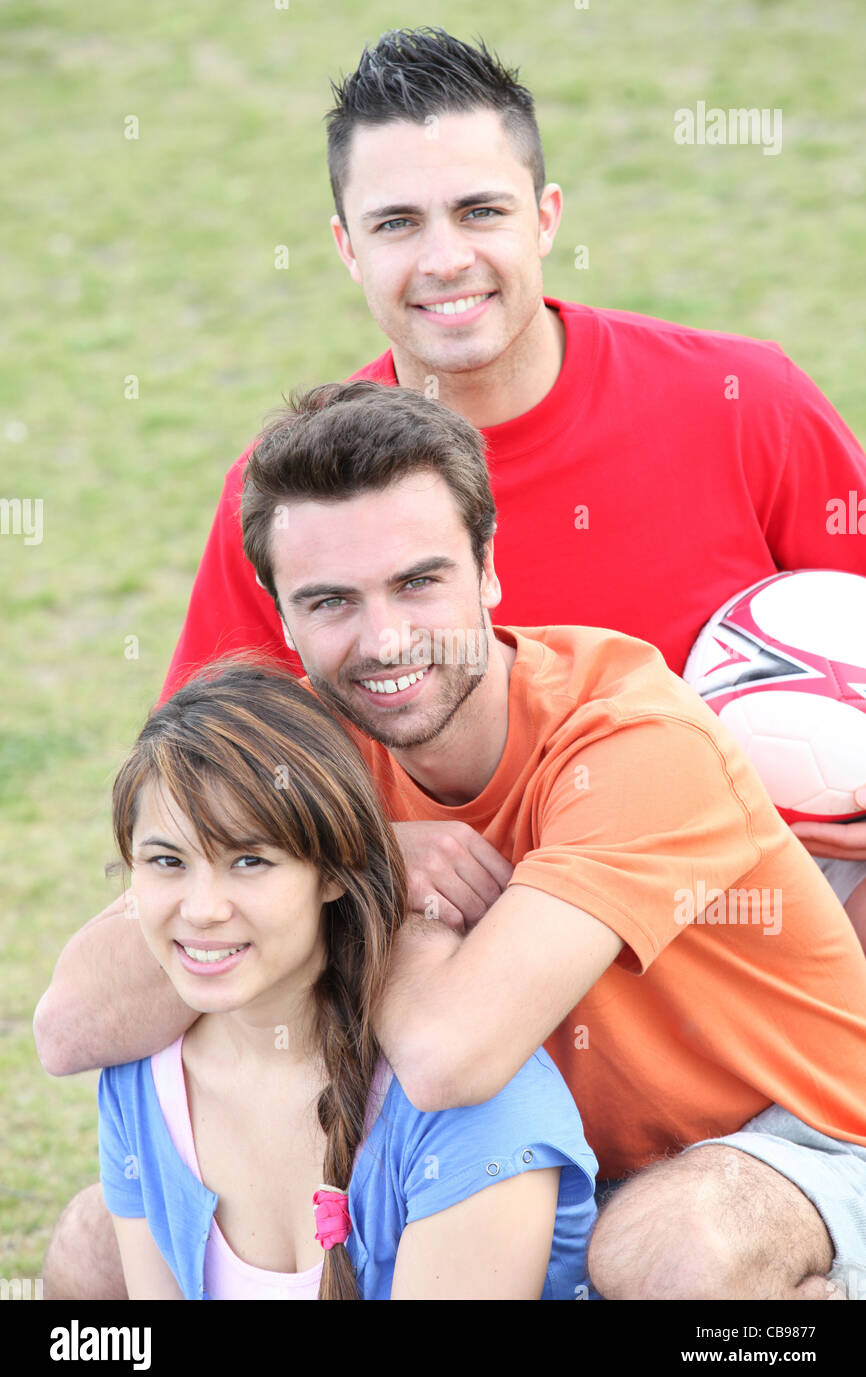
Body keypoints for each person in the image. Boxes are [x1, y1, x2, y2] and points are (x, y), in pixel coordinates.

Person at [40, 381, 866, 1302]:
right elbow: (69, 1026)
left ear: (490, 570)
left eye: (419, 582)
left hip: (799, 1137)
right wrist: (372, 850)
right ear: (283, 618)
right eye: (331, 602)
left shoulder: (633, 741)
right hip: (529, 1160)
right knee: (93, 1246)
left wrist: (354, 869)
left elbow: (445, 1057)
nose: (385, 639)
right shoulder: (303, 753)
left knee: (666, 1256)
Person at [157, 27, 866, 932]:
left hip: (758, 919)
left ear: (545, 216)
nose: (446, 259)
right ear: (346, 247)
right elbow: (197, 790)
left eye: (480, 211)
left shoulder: (745, 401)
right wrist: (367, 849)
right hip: (475, 955)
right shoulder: (300, 495)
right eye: (397, 223)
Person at [98, 660, 597, 1299]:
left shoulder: (472, 1111)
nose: (202, 908)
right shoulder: (141, 1077)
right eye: (167, 861)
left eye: (250, 860)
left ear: (335, 872)